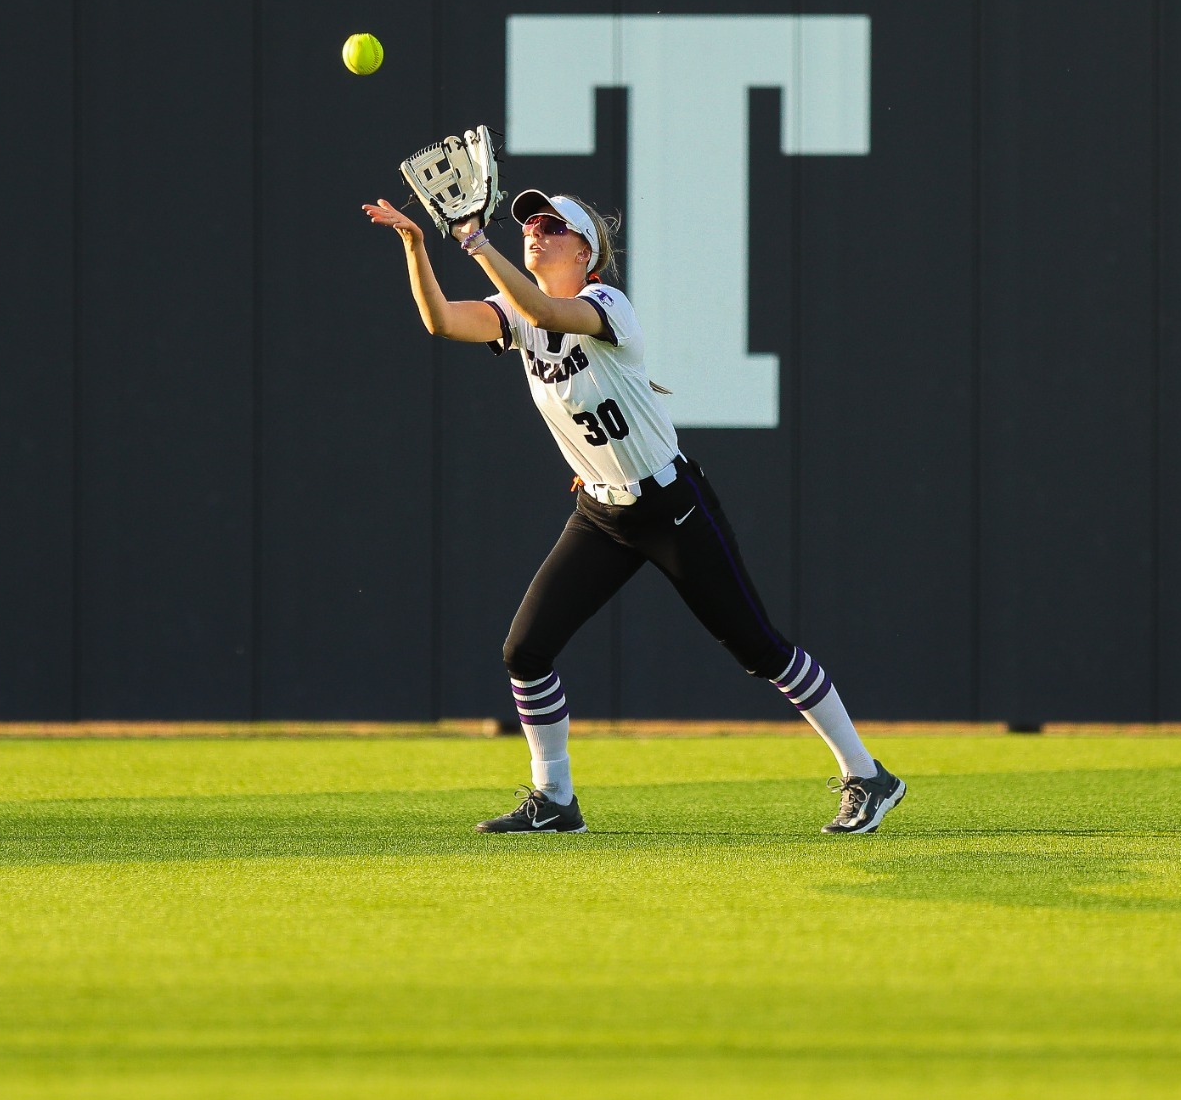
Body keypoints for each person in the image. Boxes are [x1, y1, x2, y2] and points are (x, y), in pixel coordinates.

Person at [362, 187, 906, 835]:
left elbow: (545, 309)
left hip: (670, 504)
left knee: (760, 649)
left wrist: (477, 242)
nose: (533, 229)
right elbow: (444, 321)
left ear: (586, 248)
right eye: (529, 222)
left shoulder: (604, 302)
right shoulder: (517, 308)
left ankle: (868, 773)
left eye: (550, 224)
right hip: (601, 512)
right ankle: (556, 799)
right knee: (526, 650)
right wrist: (418, 247)